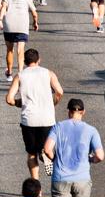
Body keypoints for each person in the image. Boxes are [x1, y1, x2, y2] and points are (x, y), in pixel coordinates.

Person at [6, 49, 64, 179]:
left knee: (31, 154)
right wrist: (53, 102)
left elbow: (9, 99)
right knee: (47, 148)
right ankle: (46, 155)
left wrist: (19, 103)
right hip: (47, 119)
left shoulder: (20, 76)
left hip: (29, 120)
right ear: (39, 60)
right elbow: (59, 92)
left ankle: (35, 183)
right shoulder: (48, 73)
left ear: (25, 62)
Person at [0, 0, 39, 81]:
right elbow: (34, 13)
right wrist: (35, 23)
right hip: (22, 24)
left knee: (10, 49)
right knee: (21, 50)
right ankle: (20, 74)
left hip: (9, 24)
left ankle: (10, 73)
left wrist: (0, 20)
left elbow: (3, 7)